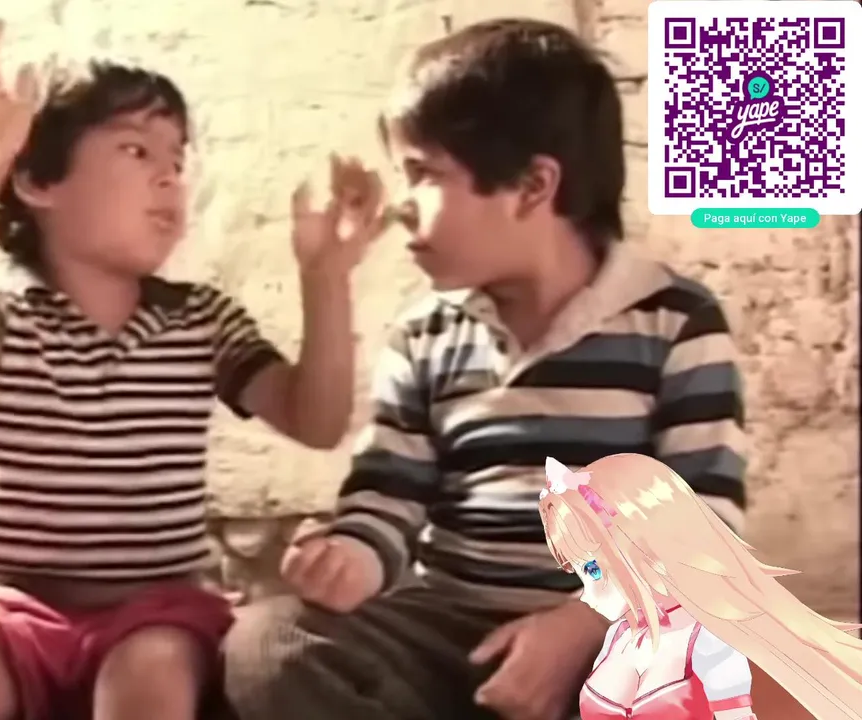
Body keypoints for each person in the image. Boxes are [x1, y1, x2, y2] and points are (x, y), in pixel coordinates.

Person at [224, 18, 748, 720]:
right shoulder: (425, 333)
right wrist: (352, 554)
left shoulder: (675, 321)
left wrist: (580, 627)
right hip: (452, 632)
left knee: (711, 672)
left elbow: (703, 526)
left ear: (532, 186)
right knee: (271, 642)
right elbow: (390, 494)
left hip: (615, 632)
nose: (401, 204)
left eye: (424, 174)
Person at [0, 8, 387, 720]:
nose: (169, 178)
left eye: (177, 160)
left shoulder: (202, 319)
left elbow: (317, 422)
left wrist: (326, 277)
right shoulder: (0, 317)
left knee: (149, 675)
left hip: (159, 610)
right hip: (13, 607)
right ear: (38, 182)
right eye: (135, 150)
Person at [540, 453, 862, 720]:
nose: (586, 594)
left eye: (594, 569)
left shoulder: (711, 642)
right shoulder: (618, 637)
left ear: (648, 547)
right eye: (578, 571)